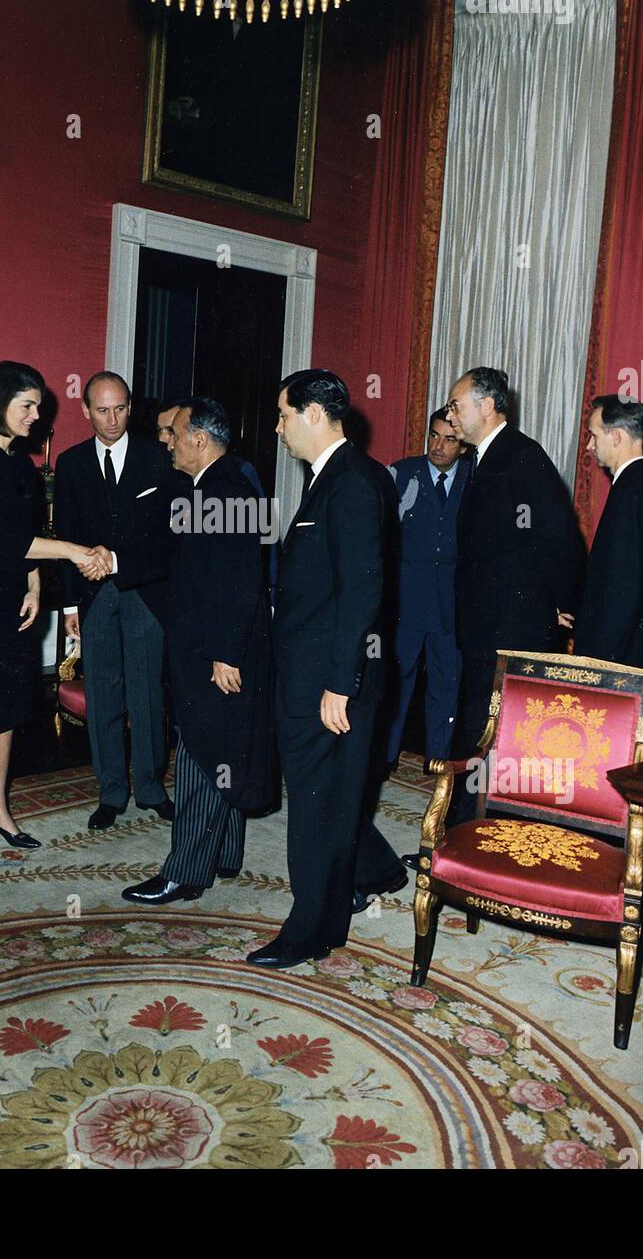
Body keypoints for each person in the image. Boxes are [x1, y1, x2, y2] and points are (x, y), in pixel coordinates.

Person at [247, 370, 406, 971]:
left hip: (331, 678)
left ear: (314, 414)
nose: (278, 427)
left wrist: (341, 683)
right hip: (312, 668)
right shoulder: (334, 476)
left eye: (283, 414)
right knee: (331, 792)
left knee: (316, 807)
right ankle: (378, 869)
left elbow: (363, 593)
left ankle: (312, 930)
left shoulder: (353, 483)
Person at [0, 362, 112, 866]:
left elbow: (30, 533)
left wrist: (34, 585)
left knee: (5, 705)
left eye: (38, 406)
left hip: (13, 602)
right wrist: (76, 552)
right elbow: (4, 540)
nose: (37, 416)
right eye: (28, 405)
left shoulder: (21, 465)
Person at [123, 398, 274, 905]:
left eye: (175, 434)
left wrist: (226, 654)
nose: (167, 442)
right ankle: (224, 854)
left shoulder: (225, 490)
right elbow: (179, 561)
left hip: (218, 651)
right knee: (224, 745)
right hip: (212, 645)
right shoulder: (213, 485)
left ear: (200, 440)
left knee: (201, 751)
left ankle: (184, 872)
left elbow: (241, 580)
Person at [445, 367, 584, 821]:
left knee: (497, 736)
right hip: (486, 625)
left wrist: (562, 604)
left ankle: (476, 832)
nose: (451, 415)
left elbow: (559, 536)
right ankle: (462, 831)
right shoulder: (483, 458)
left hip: (511, 627)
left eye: (456, 405)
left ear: (487, 406)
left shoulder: (522, 456)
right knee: (478, 730)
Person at [53, 372, 177, 828]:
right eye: (102, 410)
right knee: (103, 694)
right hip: (93, 595)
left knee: (147, 693)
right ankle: (110, 792)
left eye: (120, 408)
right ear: (85, 410)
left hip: (145, 593)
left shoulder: (158, 457)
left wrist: (120, 560)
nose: (112, 419)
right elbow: (65, 535)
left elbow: (170, 535)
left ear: (131, 407)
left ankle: (150, 787)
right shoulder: (70, 463)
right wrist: (70, 606)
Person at [569, 395, 643, 693]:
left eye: (594, 436)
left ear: (616, 436)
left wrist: (596, 667)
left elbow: (620, 592)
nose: (590, 446)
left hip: (621, 666)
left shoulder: (629, 494)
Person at [383, 409, 469, 769]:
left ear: (463, 445)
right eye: (433, 436)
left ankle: (438, 763)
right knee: (396, 683)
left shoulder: (474, 478)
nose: (438, 446)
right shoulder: (402, 474)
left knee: (446, 684)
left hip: (451, 606)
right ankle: (385, 759)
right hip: (406, 602)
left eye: (449, 439)